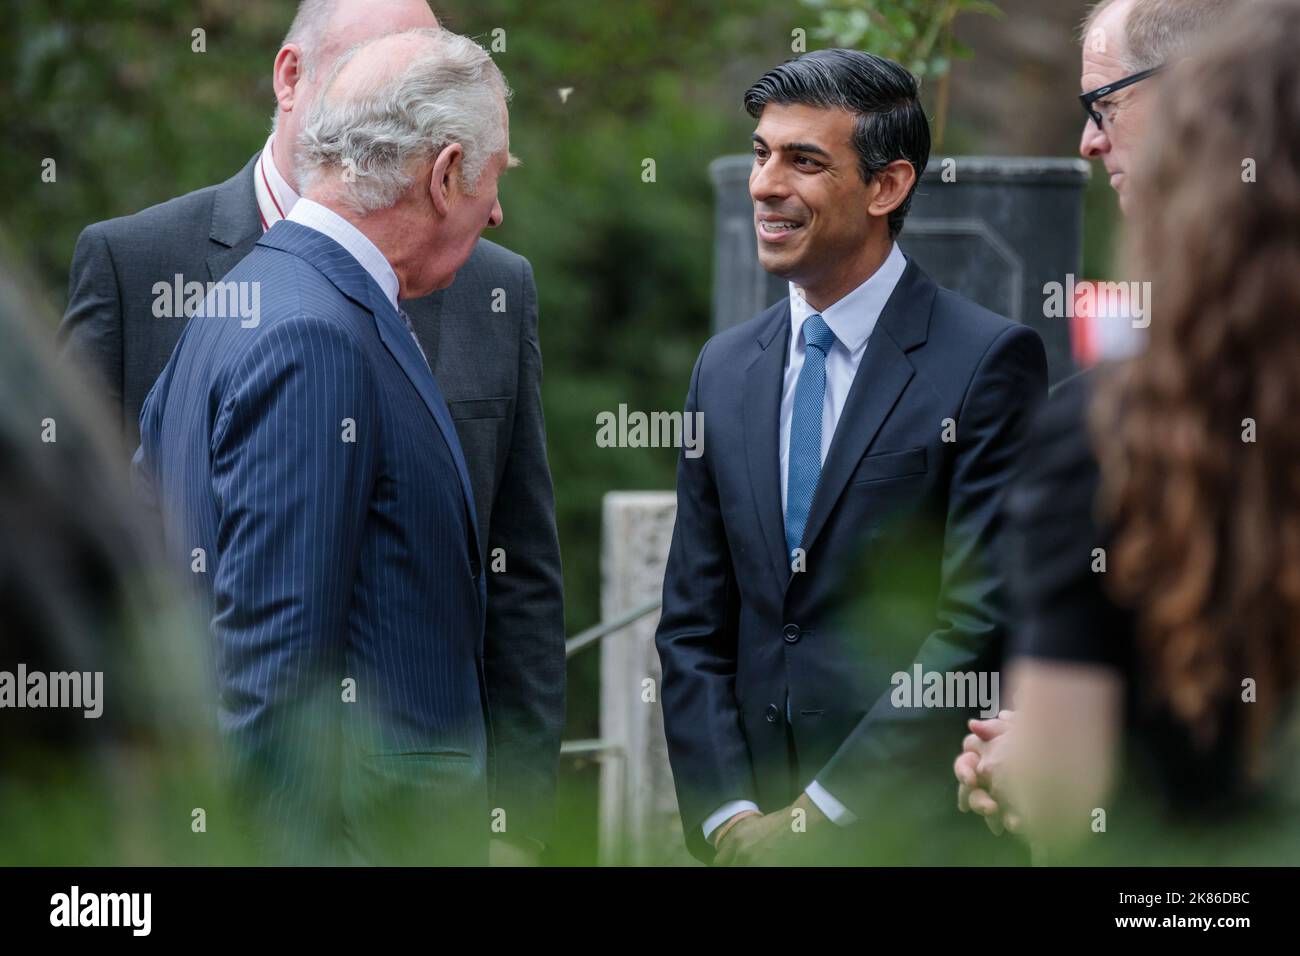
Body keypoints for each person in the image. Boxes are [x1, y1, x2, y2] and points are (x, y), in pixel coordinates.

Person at [58, 0, 564, 864]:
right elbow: (275, 679)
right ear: (445, 176)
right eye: (494, 175)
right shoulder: (312, 334)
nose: (498, 213)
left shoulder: (248, 298)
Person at [655, 48, 1047, 865]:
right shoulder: (722, 369)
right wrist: (729, 819)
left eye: (804, 161)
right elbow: (694, 625)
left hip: (917, 837)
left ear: (886, 186)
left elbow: (974, 625)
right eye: (763, 153)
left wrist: (820, 820)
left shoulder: (987, 362)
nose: (765, 183)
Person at [959, 0, 1300, 864]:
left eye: (1103, 105)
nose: (1088, 143)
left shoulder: (1111, 431)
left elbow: (1073, 816)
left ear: (1197, 102)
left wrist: (1026, 770)